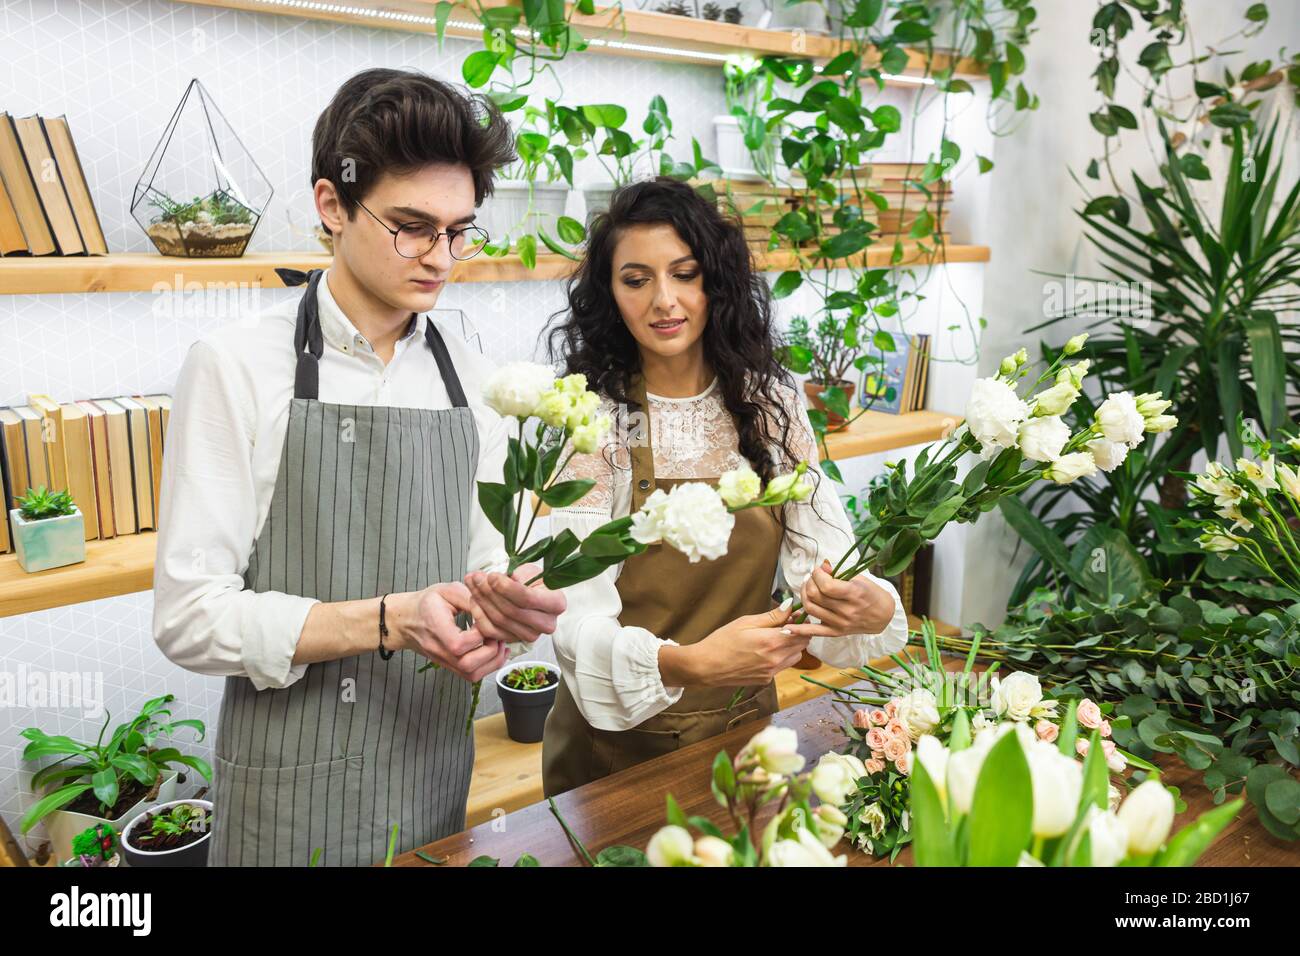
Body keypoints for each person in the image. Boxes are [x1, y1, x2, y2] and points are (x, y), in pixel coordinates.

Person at [152, 68, 565, 866]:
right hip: (289, 788)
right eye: (412, 226)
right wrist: (385, 621)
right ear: (331, 205)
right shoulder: (236, 365)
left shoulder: (470, 374)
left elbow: (480, 558)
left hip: (434, 770)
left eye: (459, 230)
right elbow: (189, 617)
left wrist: (503, 613)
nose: (441, 257)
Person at [540, 178, 908, 796]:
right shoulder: (592, 417)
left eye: (685, 274)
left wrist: (868, 606)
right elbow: (572, 622)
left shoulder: (769, 405)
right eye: (636, 280)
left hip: (747, 733)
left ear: (717, 281)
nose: (664, 300)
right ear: (608, 293)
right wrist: (687, 663)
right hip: (615, 752)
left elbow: (824, 563)